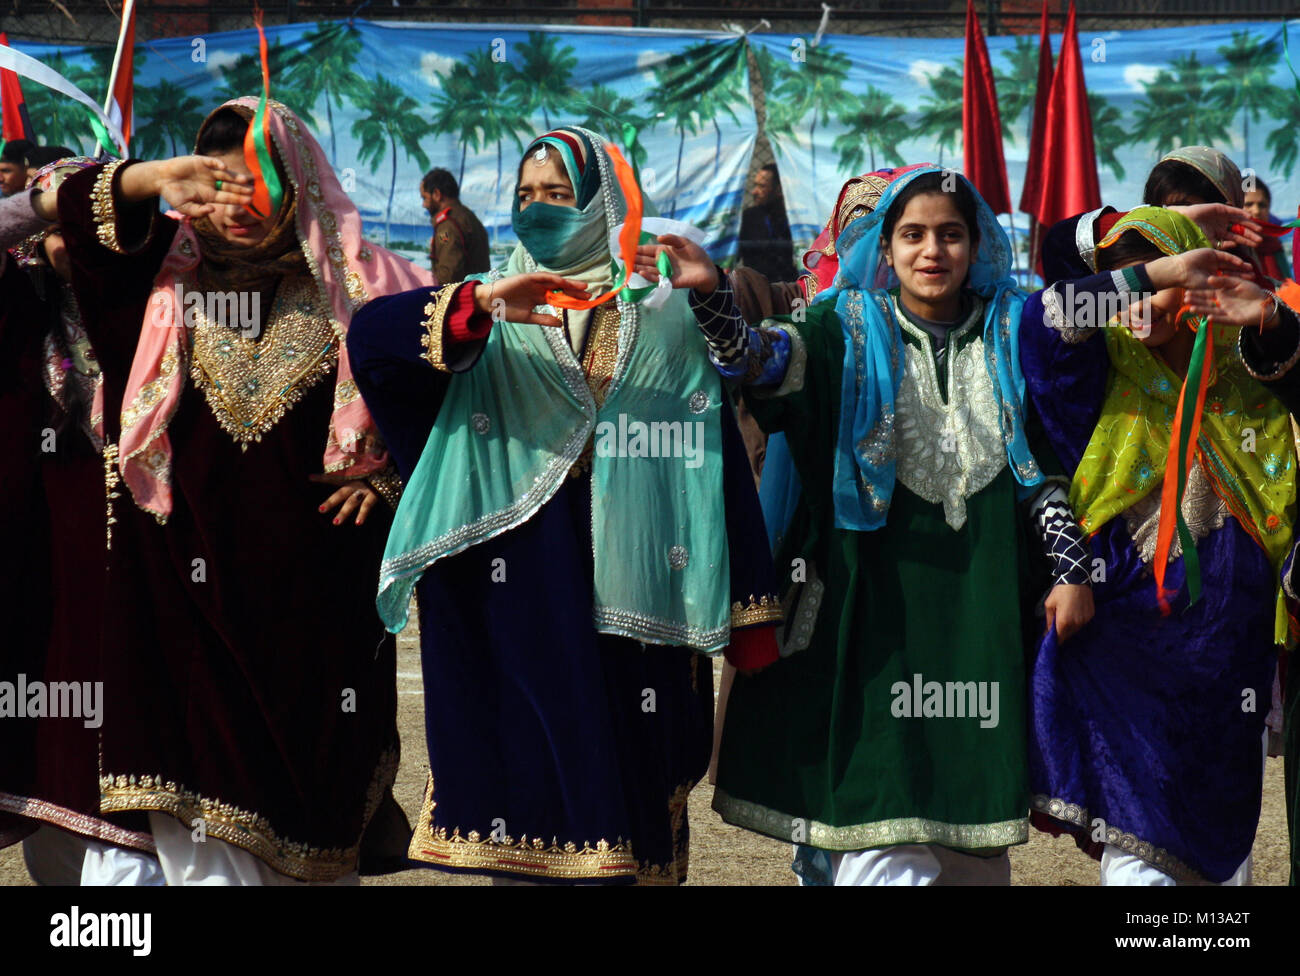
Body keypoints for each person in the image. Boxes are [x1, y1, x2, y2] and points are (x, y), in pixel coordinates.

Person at [347, 125, 783, 885]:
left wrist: (749, 611)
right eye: (525, 195)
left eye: (559, 194)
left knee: (628, 817)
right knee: (524, 817)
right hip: (506, 598)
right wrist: (480, 300)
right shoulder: (486, 310)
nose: (539, 209)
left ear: (603, 202)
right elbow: (373, 345)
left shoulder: (666, 315)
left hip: (639, 612)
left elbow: (712, 459)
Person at [638, 166, 1096, 885]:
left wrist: (1071, 569)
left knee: (976, 860)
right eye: (912, 235)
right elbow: (759, 360)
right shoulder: (843, 330)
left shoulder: (1010, 336)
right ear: (886, 248)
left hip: (979, 623)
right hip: (872, 623)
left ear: (977, 246)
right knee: (878, 840)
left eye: (950, 234)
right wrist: (713, 298)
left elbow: (1039, 471)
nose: (932, 251)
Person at [48, 98, 432, 885]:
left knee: (303, 833)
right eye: (219, 183)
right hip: (176, 615)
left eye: (259, 181)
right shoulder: (152, 280)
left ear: (300, 183)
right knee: (170, 844)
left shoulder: (373, 292)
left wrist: (390, 478)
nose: (240, 203)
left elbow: (449, 412)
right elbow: (67, 199)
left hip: (315, 618)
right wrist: (154, 177)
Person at [1020, 206, 1295, 885]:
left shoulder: (1242, 372)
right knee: (1137, 853)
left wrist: (1266, 319)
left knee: (1221, 851)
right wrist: (1159, 272)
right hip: (1124, 641)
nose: (1140, 298)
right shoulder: (1094, 371)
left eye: (1159, 275)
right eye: (1126, 279)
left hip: (1228, 651)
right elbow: (1045, 309)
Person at [0, 158, 164, 885]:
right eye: (64, 225)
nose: (79, 239)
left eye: (97, 222)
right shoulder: (18, 306)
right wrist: (38, 199)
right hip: (39, 576)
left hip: (140, 584)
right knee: (48, 785)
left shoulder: (164, 311)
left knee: (123, 801)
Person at [1041, 147, 1264, 285]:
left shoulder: (1246, 284)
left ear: (1226, 211)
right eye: (1157, 210)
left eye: (1184, 208)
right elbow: (1058, 245)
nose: (1165, 224)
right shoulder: (1132, 276)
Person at [421, 167, 489, 284]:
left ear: (437, 194)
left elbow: (448, 276)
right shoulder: (468, 217)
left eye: (425, 198)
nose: (424, 205)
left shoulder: (447, 226)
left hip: (462, 298)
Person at [737, 163, 795, 284]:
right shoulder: (748, 217)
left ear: (779, 189)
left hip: (790, 287)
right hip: (757, 288)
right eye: (755, 185)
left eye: (762, 186)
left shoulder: (795, 218)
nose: (754, 192)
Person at [1244, 176, 1293, 282]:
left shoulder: (1274, 246)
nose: (1256, 211)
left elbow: (1288, 285)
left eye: (1262, 205)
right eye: (1248, 204)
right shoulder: (1228, 248)